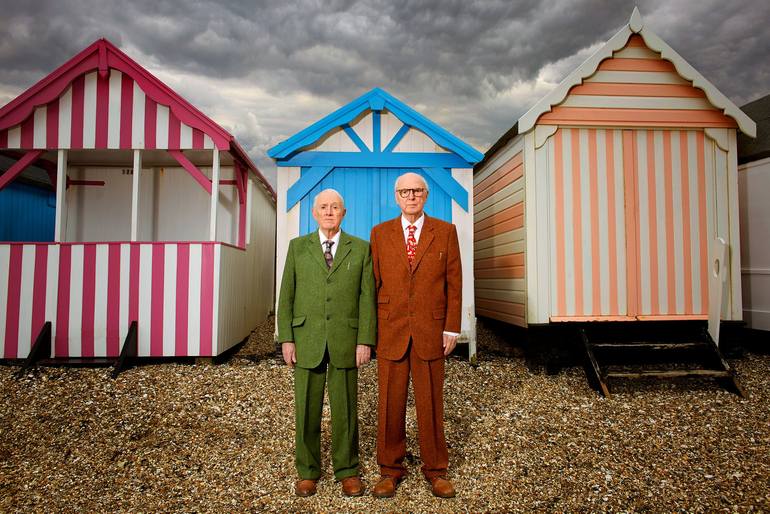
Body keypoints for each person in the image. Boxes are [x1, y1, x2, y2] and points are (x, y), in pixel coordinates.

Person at [277, 188, 376, 497]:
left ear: (344, 213)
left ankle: (347, 470)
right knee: (306, 408)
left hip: (346, 338)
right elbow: (286, 296)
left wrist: (365, 339)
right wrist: (287, 338)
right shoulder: (297, 247)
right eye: (323, 207)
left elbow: (366, 298)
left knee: (346, 407)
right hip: (307, 338)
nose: (329, 212)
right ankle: (307, 470)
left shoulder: (360, 249)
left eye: (335, 207)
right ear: (314, 213)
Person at [369, 172, 461, 499]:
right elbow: (372, 286)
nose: (411, 196)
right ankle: (390, 470)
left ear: (426, 195)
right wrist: (369, 334)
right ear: (396, 197)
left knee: (431, 404)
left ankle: (436, 470)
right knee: (390, 405)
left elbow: (454, 284)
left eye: (417, 191)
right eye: (405, 191)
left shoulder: (446, 232)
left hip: (430, 331)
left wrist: (451, 327)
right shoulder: (380, 234)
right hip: (391, 331)